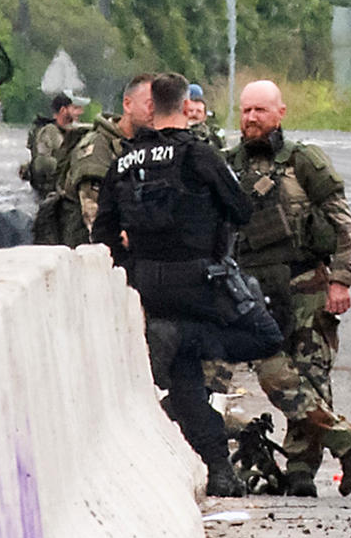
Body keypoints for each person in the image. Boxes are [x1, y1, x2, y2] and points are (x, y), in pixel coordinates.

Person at [225, 77, 351, 497]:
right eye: (246, 110)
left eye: (261, 110)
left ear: (280, 113)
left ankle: (301, 468)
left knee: (310, 372)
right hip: (252, 286)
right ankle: (347, 441)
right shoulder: (228, 163)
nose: (252, 119)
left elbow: (342, 221)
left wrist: (341, 280)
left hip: (306, 281)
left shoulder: (304, 160)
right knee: (276, 373)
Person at [104, 74, 256, 486]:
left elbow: (102, 232)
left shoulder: (124, 161)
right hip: (197, 284)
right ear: (186, 103)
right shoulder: (201, 156)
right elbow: (241, 210)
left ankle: (217, 467)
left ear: (150, 106)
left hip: (147, 285)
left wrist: (131, 262)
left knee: (184, 376)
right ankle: (219, 464)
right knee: (259, 340)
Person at [24, 89, 112, 248]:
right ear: (63, 110)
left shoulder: (75, 132)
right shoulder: (49, 132)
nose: (80, 112)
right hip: (50, 198)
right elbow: (43, 166)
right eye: (76, 108)